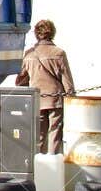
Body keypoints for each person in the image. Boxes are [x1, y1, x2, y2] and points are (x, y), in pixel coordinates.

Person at [18, 19, 74, 153]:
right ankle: (53, 159)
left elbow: (20, 79)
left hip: (37, 98)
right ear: (52, 33)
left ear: (36, 34)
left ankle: (39, 163)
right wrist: (71, 95)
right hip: (55, 98)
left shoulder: (29, 54)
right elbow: (66, 78)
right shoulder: (58, 53)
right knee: (55, 131)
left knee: (40, 134)